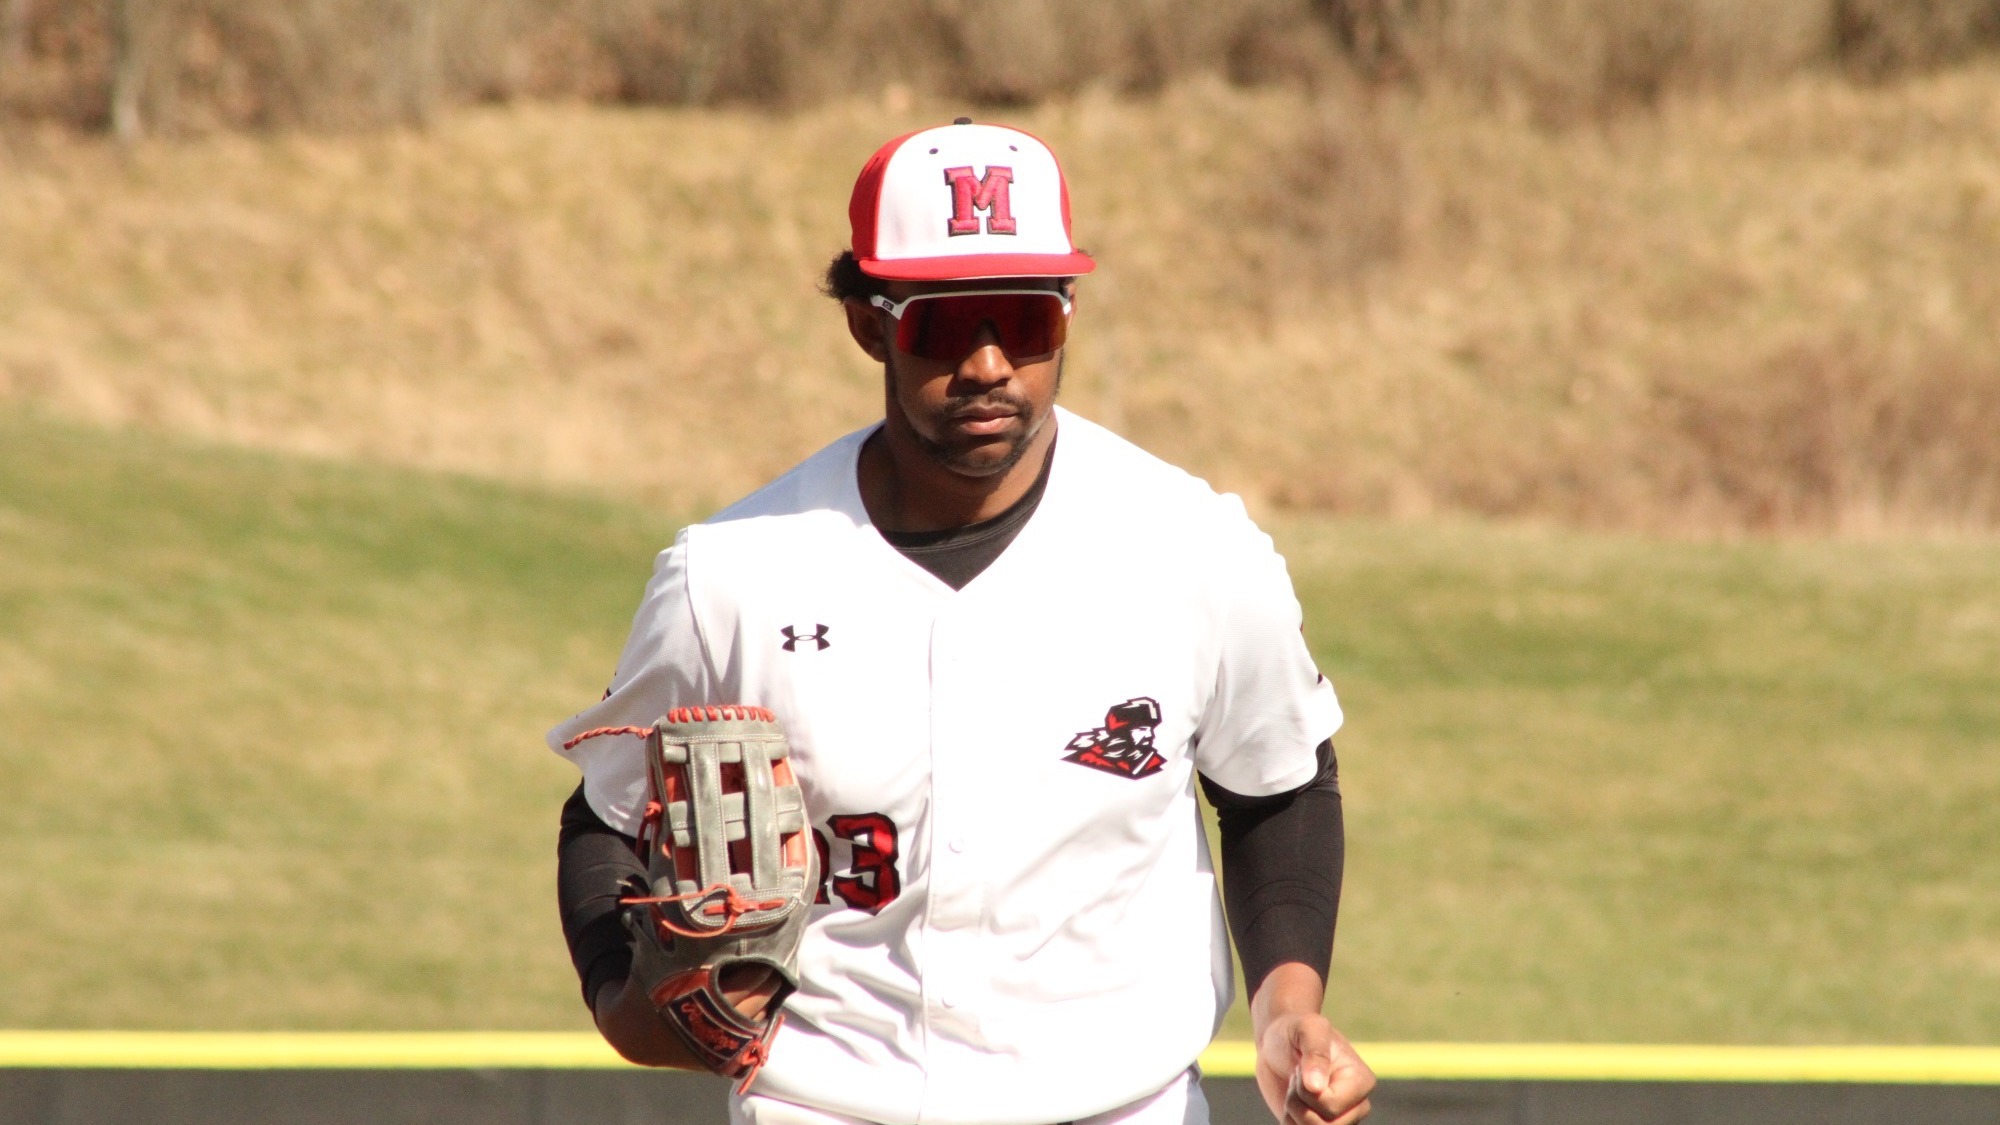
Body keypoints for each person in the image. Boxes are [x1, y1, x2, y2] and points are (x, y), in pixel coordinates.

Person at [551, 118, 1375, 1125]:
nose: (988, 363)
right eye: (941, 323)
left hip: (1119, 1107)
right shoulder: (732, 576)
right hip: (828, 1107)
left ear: (1065, 317)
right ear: (867, 325)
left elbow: (1276, 785)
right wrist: (613, 992)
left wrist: (1288, 1003)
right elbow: (605, 816)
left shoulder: (1191, 550)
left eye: (1023, 318)